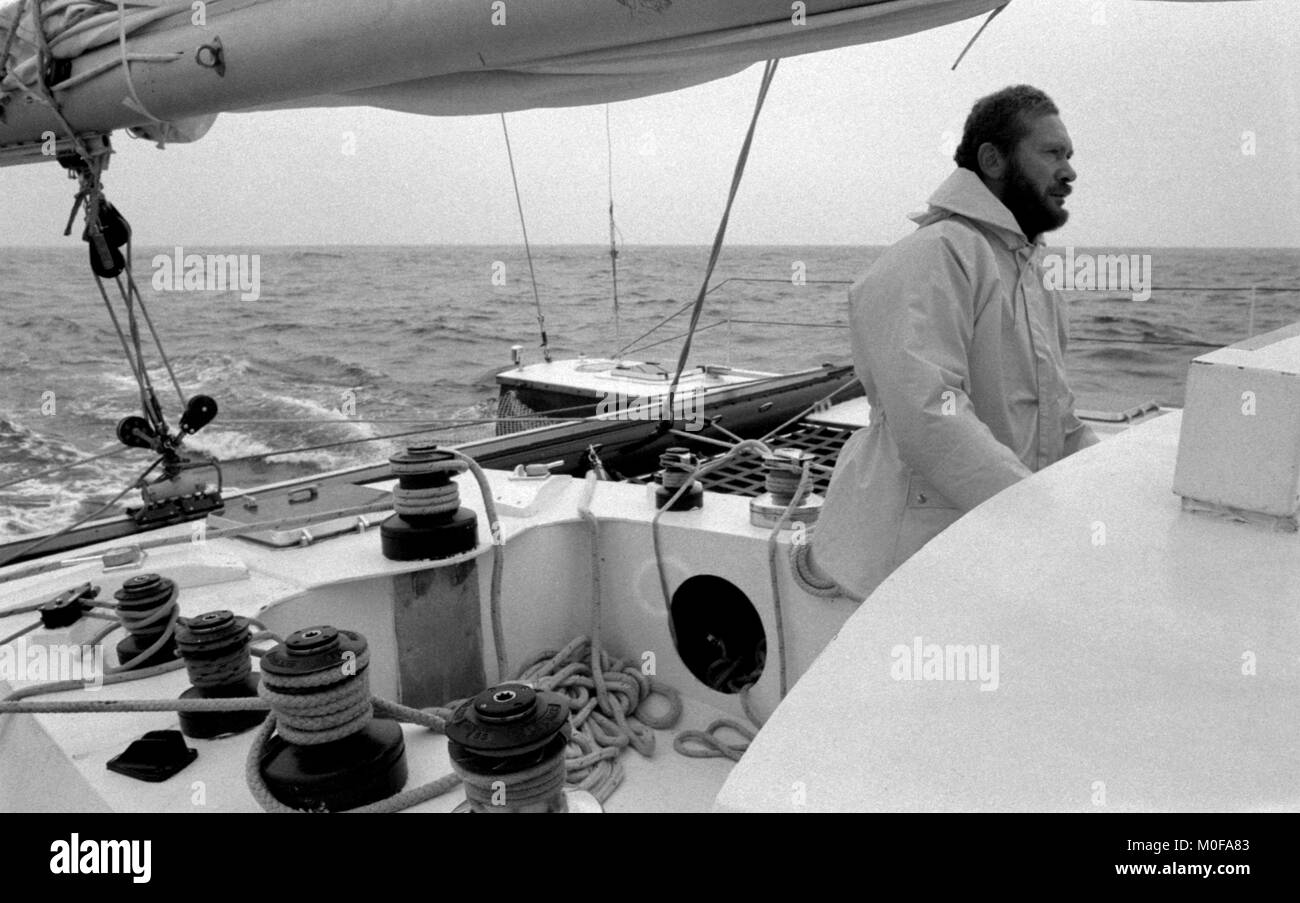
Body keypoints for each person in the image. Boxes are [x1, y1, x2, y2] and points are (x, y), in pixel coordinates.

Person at [812, 84, 1099, 601]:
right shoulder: (934, 256)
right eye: (1052, 153)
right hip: (907, 558)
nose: (1069, 172)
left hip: (993, 542)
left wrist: (1110, 486)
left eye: (1070, 156)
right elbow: (930, 417)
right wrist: (1038, 513)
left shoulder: (1033, 271)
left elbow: (1059, 417)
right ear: (993, 159)